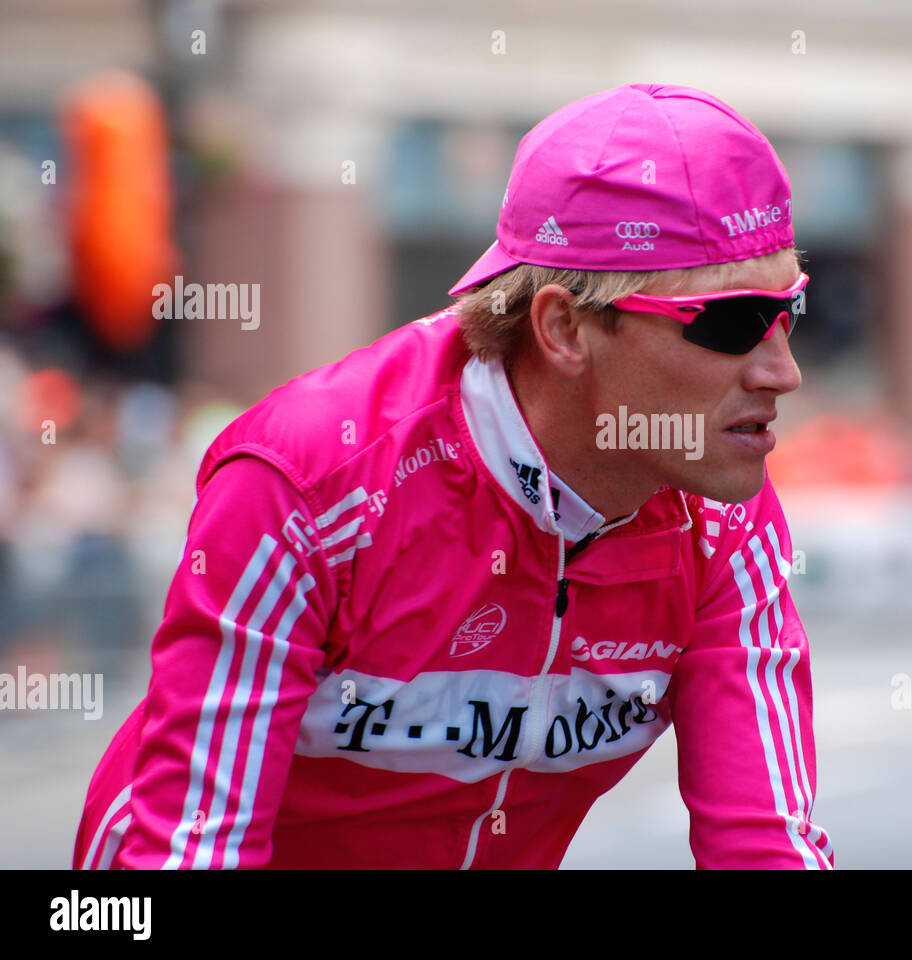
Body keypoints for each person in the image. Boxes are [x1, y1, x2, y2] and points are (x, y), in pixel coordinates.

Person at [74, 82, 834, 869]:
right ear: (564, 328)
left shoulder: (719, 514)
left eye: (789, 313)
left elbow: (766, 847)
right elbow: (192, 853)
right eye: (733, 322)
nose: (783, 373)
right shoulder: (309, 484)